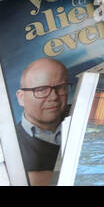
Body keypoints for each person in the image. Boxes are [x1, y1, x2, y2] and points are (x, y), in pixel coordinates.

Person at [15, 58, 71, 186]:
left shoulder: (84, 112)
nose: (54, 97)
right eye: (41, 90)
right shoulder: (13, 146)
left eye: (61, 88)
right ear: (21, 98)